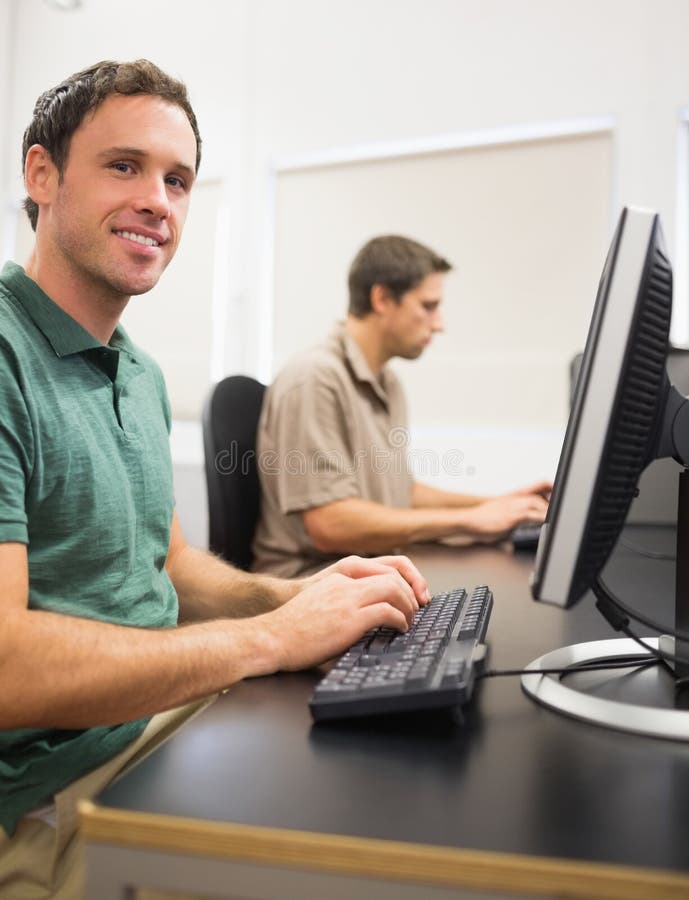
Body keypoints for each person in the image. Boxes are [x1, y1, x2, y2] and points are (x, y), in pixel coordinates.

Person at [0, 60, 429, 900]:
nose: (158, 201)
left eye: (179, 180)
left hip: (171, 718)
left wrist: (300, 601)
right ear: (41, 173)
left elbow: (166, 567)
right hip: (57, 793)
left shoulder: (139, 373)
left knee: (398, 794)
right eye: (123, 166)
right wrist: (267, 643)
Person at [253, 235, 550, 578]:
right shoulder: (314, 379)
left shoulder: (387, 383)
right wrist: (468, 520)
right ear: (382, 298)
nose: (439, 324)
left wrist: (497, 505)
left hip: (369, 570)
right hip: (307, 585)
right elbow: (329, 523)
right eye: (428, 306)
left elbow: (401, 493)